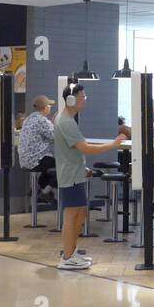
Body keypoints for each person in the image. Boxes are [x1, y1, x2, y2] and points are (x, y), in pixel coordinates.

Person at [53, 83, 127, 270]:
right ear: (71, 99)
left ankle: (71, 252)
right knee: (72, 214)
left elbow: (73, 150)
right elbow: (85, 148)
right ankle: (68, 257)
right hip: (70, 175)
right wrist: (113, 145)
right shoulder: (66, 121)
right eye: (82, 96)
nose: (85, 100)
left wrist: (82, 166)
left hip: (74, 172)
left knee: (80, 212)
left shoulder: (67, 119)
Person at [17, 95, 56, 196]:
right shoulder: (42, 120)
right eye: (50, 106)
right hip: (35, 160)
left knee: (50, 164)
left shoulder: (28, 119)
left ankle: (37, 188)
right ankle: (45, 192)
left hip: (25, 161)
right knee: (62, 165)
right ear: (46, 108)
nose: (50, 108)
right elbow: (55, 137)